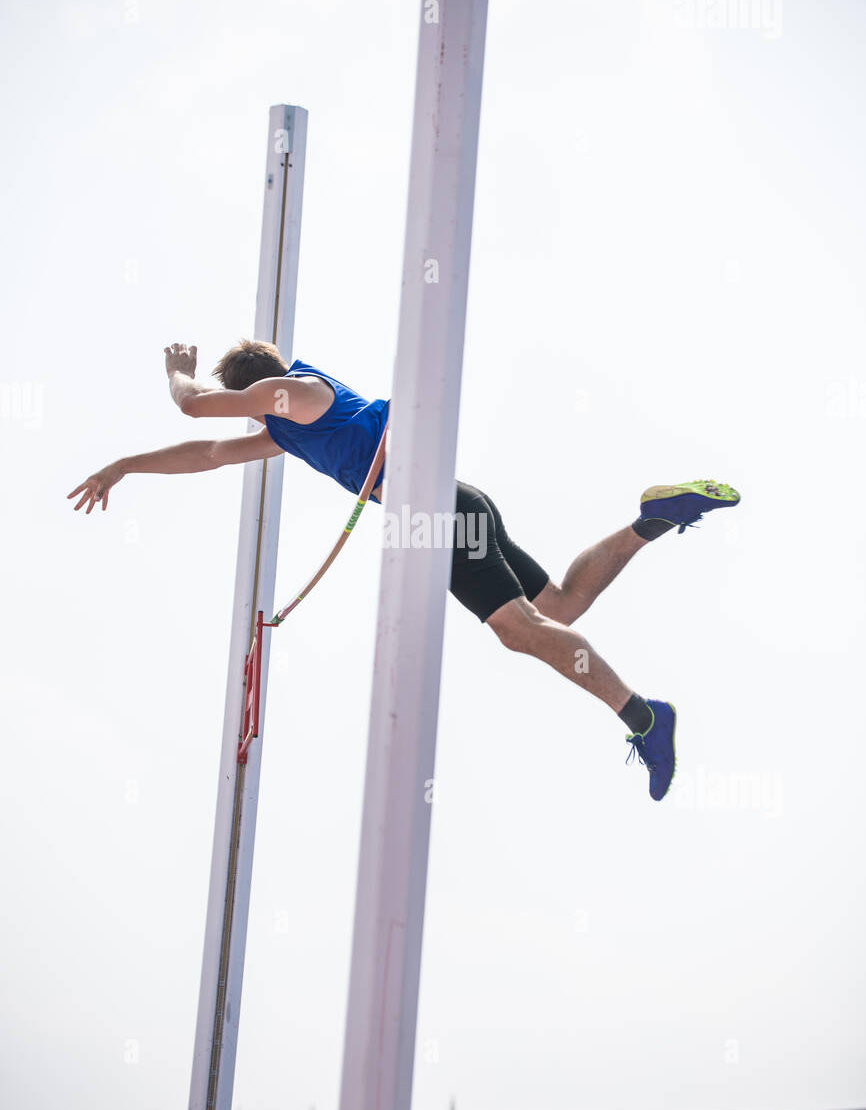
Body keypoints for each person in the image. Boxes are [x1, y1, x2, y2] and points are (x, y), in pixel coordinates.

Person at [68, 339, 740, 801]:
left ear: (252, 388)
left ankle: (646, 716)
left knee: (519, 629)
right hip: (452, 500)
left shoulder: (296, 393)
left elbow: (193, 407)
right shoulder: (285, 430)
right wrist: (124, 465)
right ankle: (651, 521)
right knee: (558, 609)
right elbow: (207, 452)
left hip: (432, 509)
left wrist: (178, 372)